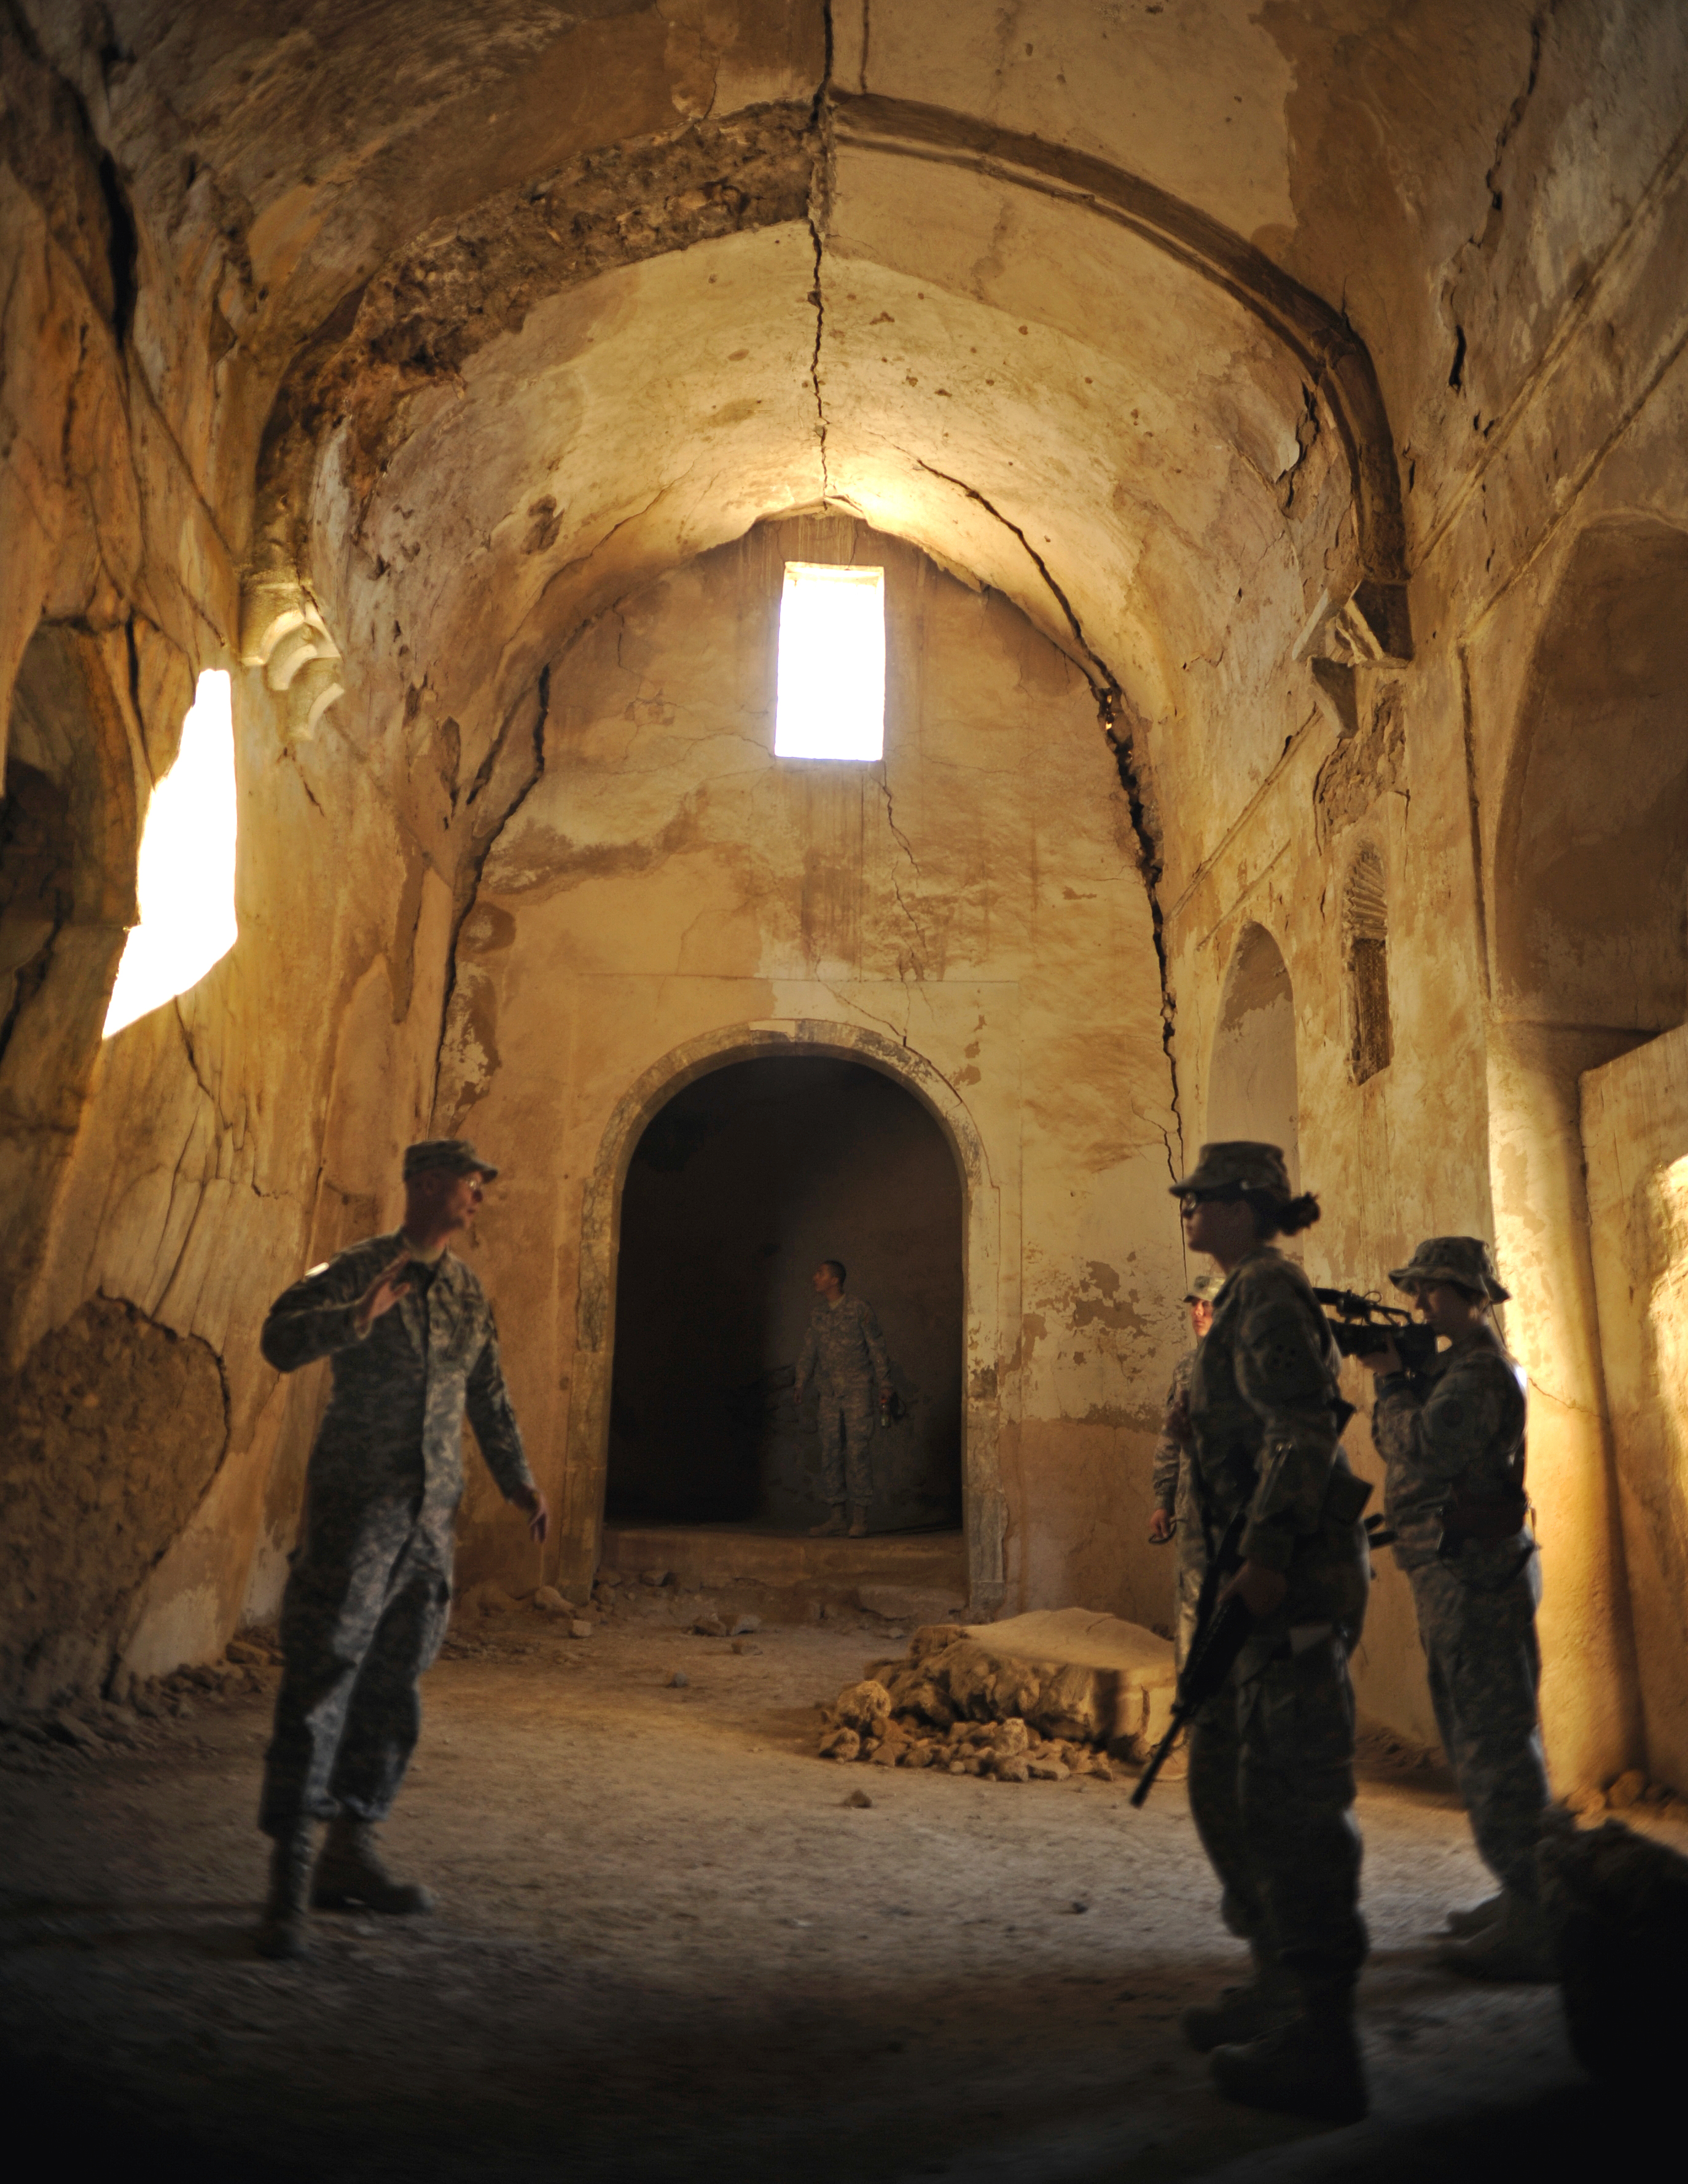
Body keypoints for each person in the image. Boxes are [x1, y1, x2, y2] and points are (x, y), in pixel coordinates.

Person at [254, 1140, 549, 1959]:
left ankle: (351, 1847)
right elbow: (278, 1339)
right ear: (426, 1183)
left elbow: (488, 1390)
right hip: (358, 1507)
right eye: (469, 1182)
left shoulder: (466, 1289)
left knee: (394, 1682)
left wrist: (519, 1479)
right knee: (323, 1674)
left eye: (482, 1185)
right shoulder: (357, 1267)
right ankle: (290, 1872)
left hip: (429, 1518)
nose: (479, 1195)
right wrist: (354, 1318)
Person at [1170, 1142, 1372, 2124]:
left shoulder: (1270, 1293)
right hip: (1244, 1587)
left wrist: (1266, 1551)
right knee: (1224, 1780)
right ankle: (1275, 1980)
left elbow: (1302, 1428)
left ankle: (1323, 2041)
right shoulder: (1239, 1292)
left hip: (1284, 1587)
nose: (1190, 1211)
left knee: (1292, 1803)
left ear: (1248, 1206)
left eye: (1204, 1198)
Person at [1361, 1236, 1552, 1981]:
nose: (1419, 1304)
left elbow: (1420, 1447)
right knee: (1477, 1738)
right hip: (1457, 1572)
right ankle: (1521, 1892)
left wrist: (1389, 1383)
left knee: (1494, 1745)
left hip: (1475, 1578)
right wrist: (1405, 1374)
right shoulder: (1459, 1366)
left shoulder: (1478, 1374)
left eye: (1432, 1290)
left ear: (1473, 1297)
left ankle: (1537, 1918)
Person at [1148, 1271, 1221, 1665]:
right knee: (1191, 1609)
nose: (1198, 1312)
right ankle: (1192, 1692)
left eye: (1207, 1304)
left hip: (1236, 1514)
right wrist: (1163, 1499)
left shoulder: (1251, 1367)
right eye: (1194, 1304)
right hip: (1192, 1511)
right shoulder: (1187, 1367)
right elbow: (1170, 1438)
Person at [795, 1259, 891, 1539]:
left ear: (835, 1280)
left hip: (857, 1390)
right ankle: (837, 1517)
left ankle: (860, 1518)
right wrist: (801, 1381)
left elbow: (876, 1346)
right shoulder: (818, 1314)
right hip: (829, 1393)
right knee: (830, 1452)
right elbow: (809, 1351)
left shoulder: (859, 1308)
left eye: (820, 1273)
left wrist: (885, 1382)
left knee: (858, 1451)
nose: (815, 1277)